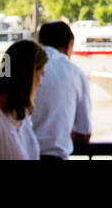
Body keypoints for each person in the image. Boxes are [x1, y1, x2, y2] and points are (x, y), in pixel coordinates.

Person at [32, 21, 92, 160]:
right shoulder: (76, 73)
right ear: (69, 45)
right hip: (55, 155)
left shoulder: (21, 68)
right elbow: (84, 134)